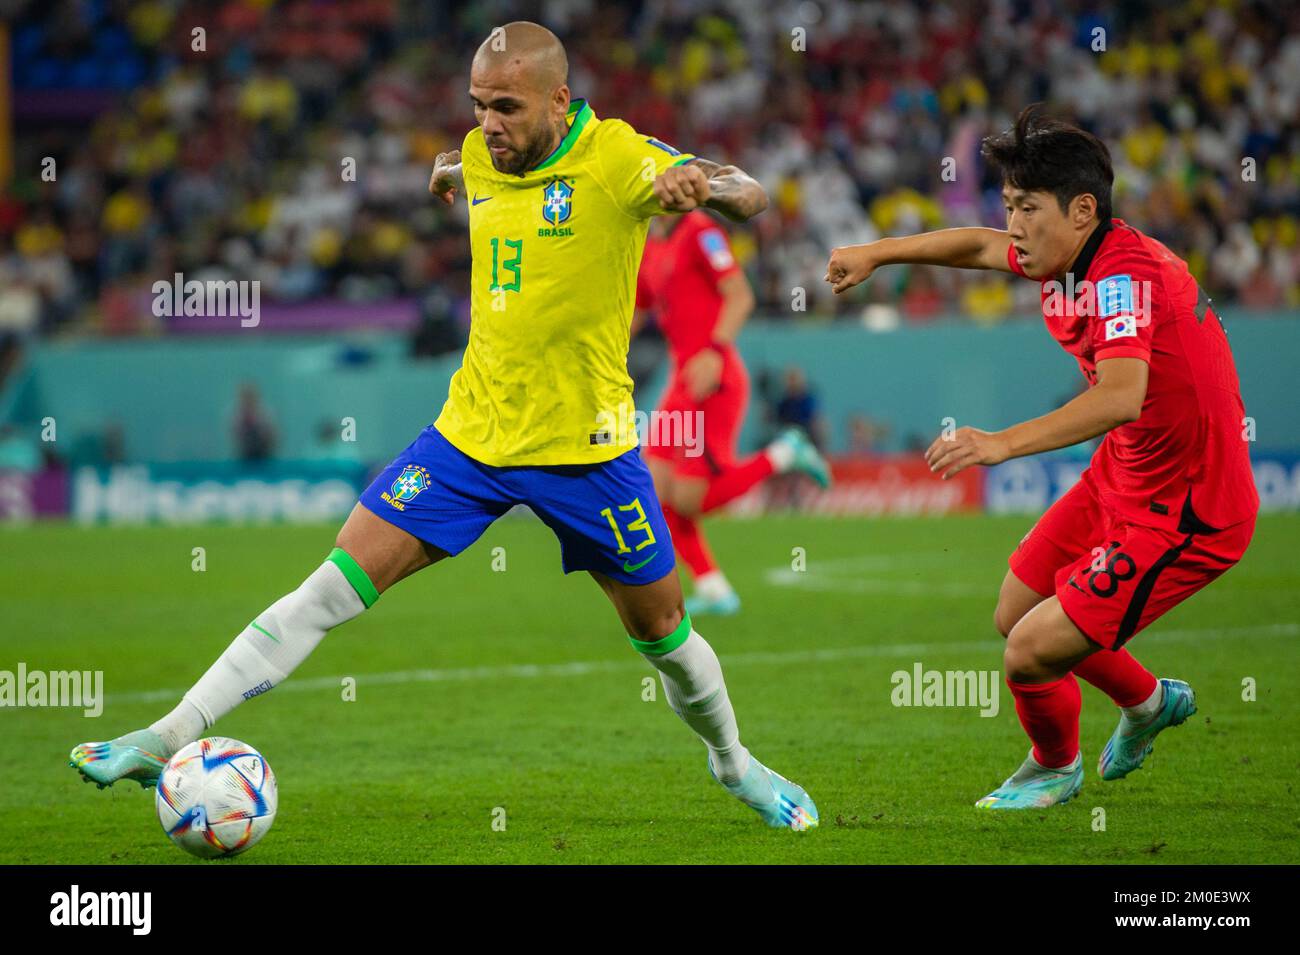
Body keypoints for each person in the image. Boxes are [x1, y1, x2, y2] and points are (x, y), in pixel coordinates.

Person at [71, 21, 818, 832]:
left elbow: (745, 187)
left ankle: (734, 763)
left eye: (506, 107)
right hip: (468, 439)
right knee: (328, 588)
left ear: (559, 101)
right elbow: (467, 164)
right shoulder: (480, 152)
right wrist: (449, 171)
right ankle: (166, 733)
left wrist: (704, 189)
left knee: (665, 634)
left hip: (588, 454)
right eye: (478, 105)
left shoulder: (615, 157)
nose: (488, 123)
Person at [825, 104, 1258, 810]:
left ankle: (1055, 766)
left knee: (1028, 651)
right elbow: (974, 248)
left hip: (1187, 506)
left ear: (1082, 210)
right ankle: (1148, 702)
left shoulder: (1123, 276)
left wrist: (1000, 443)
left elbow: (1120, 395)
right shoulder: (1064, 256)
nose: (1014, 226)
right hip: (1125, 469)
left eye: (1027, 208)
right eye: (1008, 205)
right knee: (1015, 607)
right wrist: (879, 253)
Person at [635, 211, 829, 616]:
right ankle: (714, 590)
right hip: (681, 382)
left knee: (688, 499)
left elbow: (740, 295)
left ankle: (784, 453)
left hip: (714, 377)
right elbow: (635, 311)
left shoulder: (700, 231)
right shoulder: (650, 246)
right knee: (653, 490)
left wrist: (714, 350)